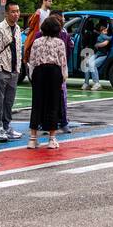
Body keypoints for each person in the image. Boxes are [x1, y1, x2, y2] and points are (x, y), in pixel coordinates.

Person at [28, 15, 68, 150]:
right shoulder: (59, 43)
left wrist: (32, 75)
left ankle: (33, 139)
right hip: (54, 72)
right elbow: (63, 62)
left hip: (39, 72)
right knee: (53, 104)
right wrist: (63, 77)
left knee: (37, 104)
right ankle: (52, 139)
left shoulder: (37, 42)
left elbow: (32, 61)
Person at [0, 3, 24, 142]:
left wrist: (18, 68)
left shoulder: (17, 28)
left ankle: (7, 125)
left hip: (14, 70)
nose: (16, 14)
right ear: (6, 13)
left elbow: (18, 49)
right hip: (2, 69)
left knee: (9, 100)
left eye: (18, 11)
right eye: (13, 12)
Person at [81, 19, 111, 90]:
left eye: (105, 29)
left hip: (103, 55)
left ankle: (97, 83)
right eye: (103, 29)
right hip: (97, 54)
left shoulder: (108, 36)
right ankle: (86, 83)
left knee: (92, 64)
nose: (104, 30)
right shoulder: (98, 35)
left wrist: (97, 45)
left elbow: (105, 43)